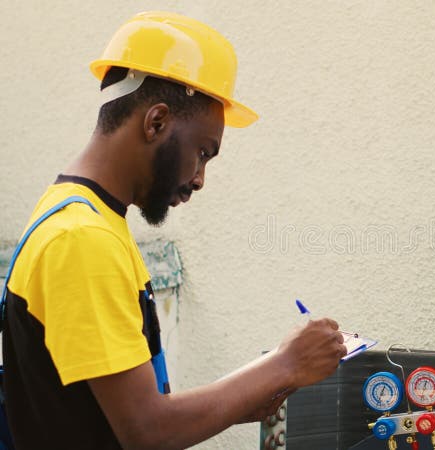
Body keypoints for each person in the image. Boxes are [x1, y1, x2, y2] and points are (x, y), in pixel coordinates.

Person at [1, 11, 347, 449]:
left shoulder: (85, 219)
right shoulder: (81, 240)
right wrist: (284, 365)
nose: (200, 178)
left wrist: (247, 395)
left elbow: (121, 409)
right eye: (202, 152)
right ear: (156, 122)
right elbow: (146, 431)